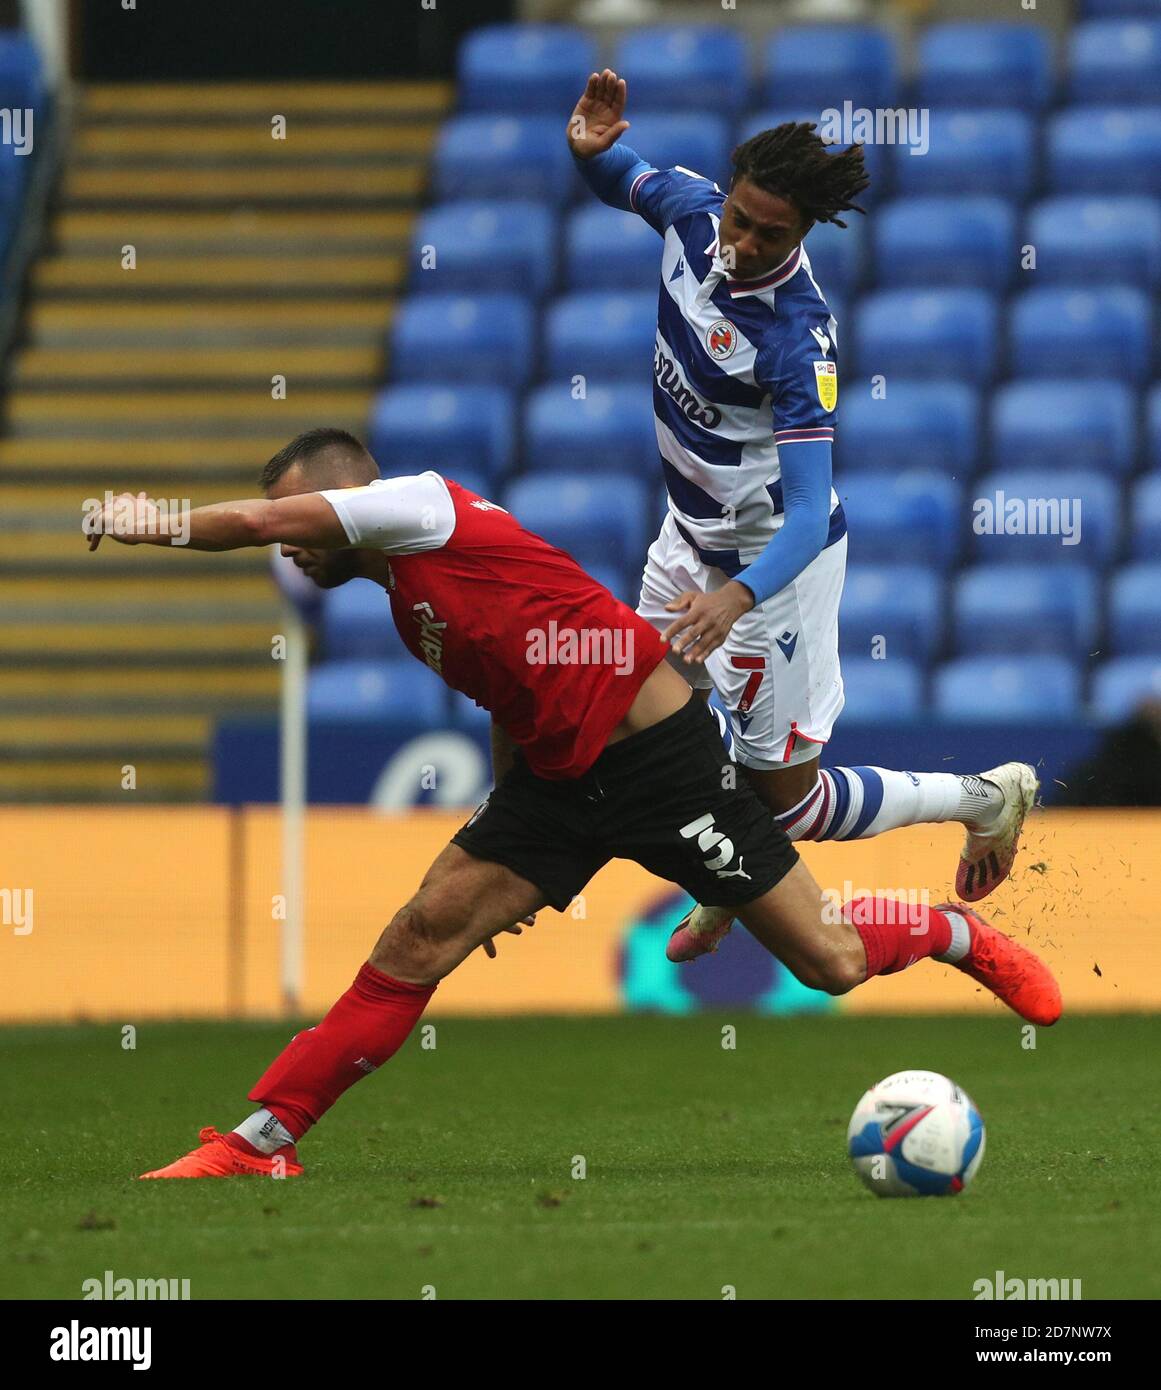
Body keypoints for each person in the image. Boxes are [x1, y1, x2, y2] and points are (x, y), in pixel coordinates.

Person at [85, 429, 1061, 1180]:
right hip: (554, 785)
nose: (289, 535)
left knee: (832, 961)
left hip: (659, 759)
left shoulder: (418, 505)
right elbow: (510, 700)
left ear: (351, 492)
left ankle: (949, 935)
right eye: (285, 518)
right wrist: (512, 844)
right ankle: (266, 1140)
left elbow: (253, 527)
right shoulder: (404, 599)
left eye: (301, 515)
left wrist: (152, 518)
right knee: (419, 937)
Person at [567, 71, 1037, 959]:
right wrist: (586, 149)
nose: (740, 243)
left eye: (767, 233)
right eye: (739, 218)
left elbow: (809, 510)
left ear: (804, 232)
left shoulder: (793, 339)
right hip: (688, 541)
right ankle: (734, 870)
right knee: (639, 724)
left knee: (797, 804)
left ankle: (986, 796)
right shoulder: (691, 214)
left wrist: (737, 598)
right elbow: (615, 171)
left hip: (771, 569)